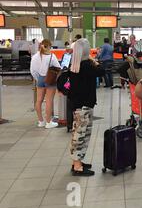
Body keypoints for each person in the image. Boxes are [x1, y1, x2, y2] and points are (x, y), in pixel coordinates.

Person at [68, 38, 105, 176]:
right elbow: (102, 71)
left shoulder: (74, 65)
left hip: (77, 105)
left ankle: (76, 162)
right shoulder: (87, 66)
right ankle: (77, 166)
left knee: (77, 133)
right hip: (84, 106)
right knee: (81, 135)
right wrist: (94, 60)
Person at [30, 39, 61, 129]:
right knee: (49, 101)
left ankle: (41, 121)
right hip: (50, 79)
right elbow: (58, 68)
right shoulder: (51, 56)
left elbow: (33, 70)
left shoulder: (35, 56)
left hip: (39, 78)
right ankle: (48, 122)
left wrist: (38, 78)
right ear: (48, 46)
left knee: (38, 100)